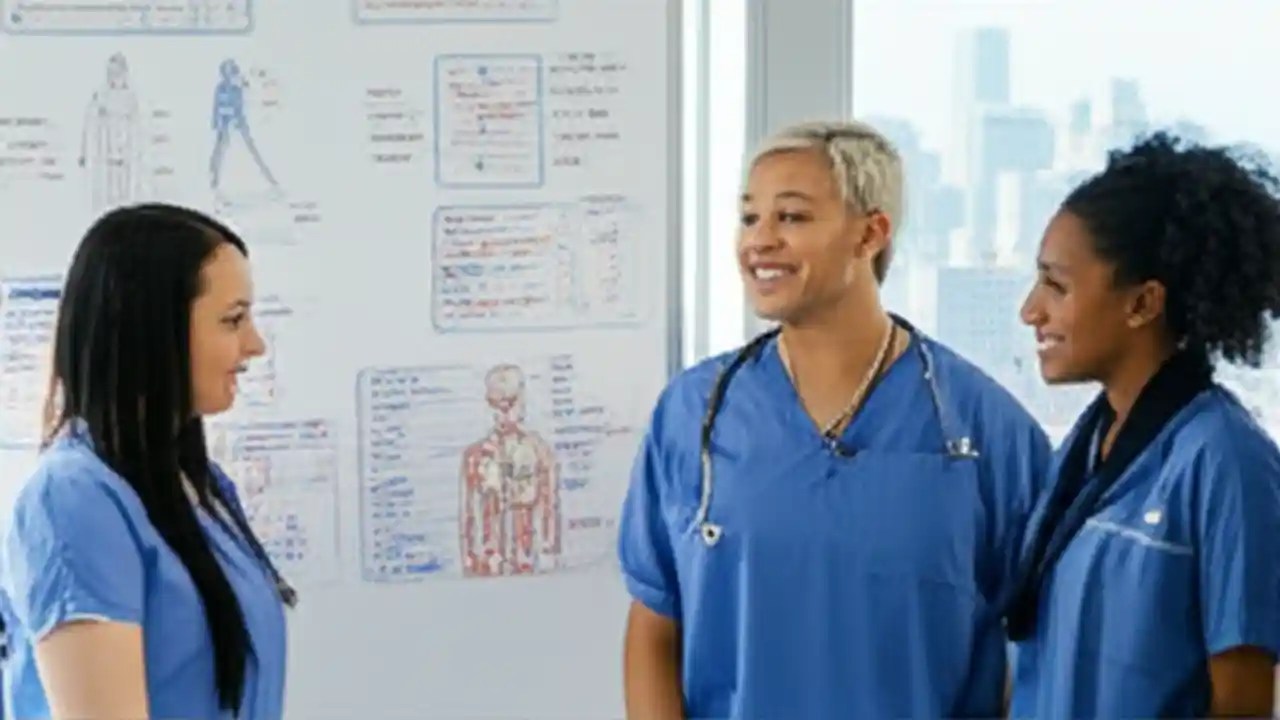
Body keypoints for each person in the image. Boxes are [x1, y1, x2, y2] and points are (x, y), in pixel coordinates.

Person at [616, 119, 1052, 718]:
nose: (759, 241)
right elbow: (654, 623)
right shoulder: (695, 413)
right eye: (749, 218)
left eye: (791, 217)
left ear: (869, 234)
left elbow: (1042, 647)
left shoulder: (982, 428)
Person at [1009, 131, 1280, 718]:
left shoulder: (1226, 461)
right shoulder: (1081, 453)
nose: (1031, 310)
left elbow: (1242, 703)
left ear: (1142, 304)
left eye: (1056, 285)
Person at [0, 203, 297, 719]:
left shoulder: (202, 488)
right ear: (151, 329)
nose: (255, 345)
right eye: (232, 320)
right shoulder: (74, 499)